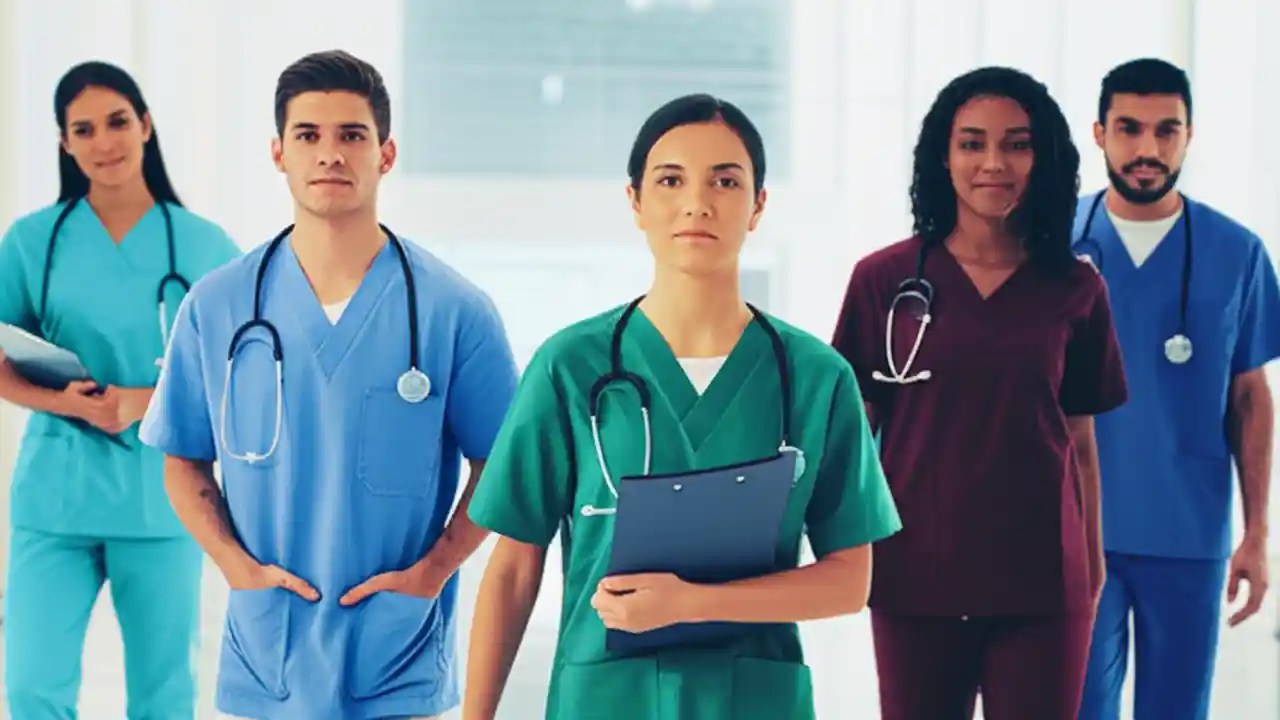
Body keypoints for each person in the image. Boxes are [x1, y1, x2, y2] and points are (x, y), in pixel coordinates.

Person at [461, 93, 901, 720]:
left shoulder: (815, 377)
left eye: (726, 180)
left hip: (751, 701)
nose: (698, 202)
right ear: (636, 201)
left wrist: (690, 601)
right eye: (671, 180)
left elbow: (848, 582)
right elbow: (512, 566)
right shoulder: (570, 366)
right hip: (606, 698)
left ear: (758, 206)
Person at [138, 50, 518, 720]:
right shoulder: (218, 306)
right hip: (270, 649)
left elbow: (502, 466)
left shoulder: (454, 310)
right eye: (309, 136)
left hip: (393, 652)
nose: (330, 155)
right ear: (278, 153)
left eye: (352, 135)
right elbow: (183, 459)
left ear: (387, 154)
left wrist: (433, 573)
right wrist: (236, 568)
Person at [832, 66, 1130, 720]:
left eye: (1016, 143)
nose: (994, 162)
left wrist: (1092, 560)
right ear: (943, 155)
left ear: (1042, 156)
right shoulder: (883, 281)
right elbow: (852, 437)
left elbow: (1080, 441)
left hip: (1043, 583)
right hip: (915, 573)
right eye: (972, 143)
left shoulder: (1076, 290)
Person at [0, 61, 240, 719]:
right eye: (84, 129)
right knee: (30, 686)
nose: (104, 142)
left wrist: (141, 400)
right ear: (63, 142)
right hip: (56, 501)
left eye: (117, 122)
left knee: (163, 696)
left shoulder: (204, 245)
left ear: (146, 126)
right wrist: (58, 401)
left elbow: (243, 370)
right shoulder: (31, 242)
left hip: (160, 501)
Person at [1073, 58, 1280, 720]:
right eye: (1130, 129)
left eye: (1167, 131)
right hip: (1075, 530)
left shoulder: (1236, 252)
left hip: (1187, 535)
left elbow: (1250, 397)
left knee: (1177, 712)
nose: (1148, 149)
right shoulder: (1052, 246)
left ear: (1189, 137)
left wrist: (1256, 534)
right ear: (1100, 134)